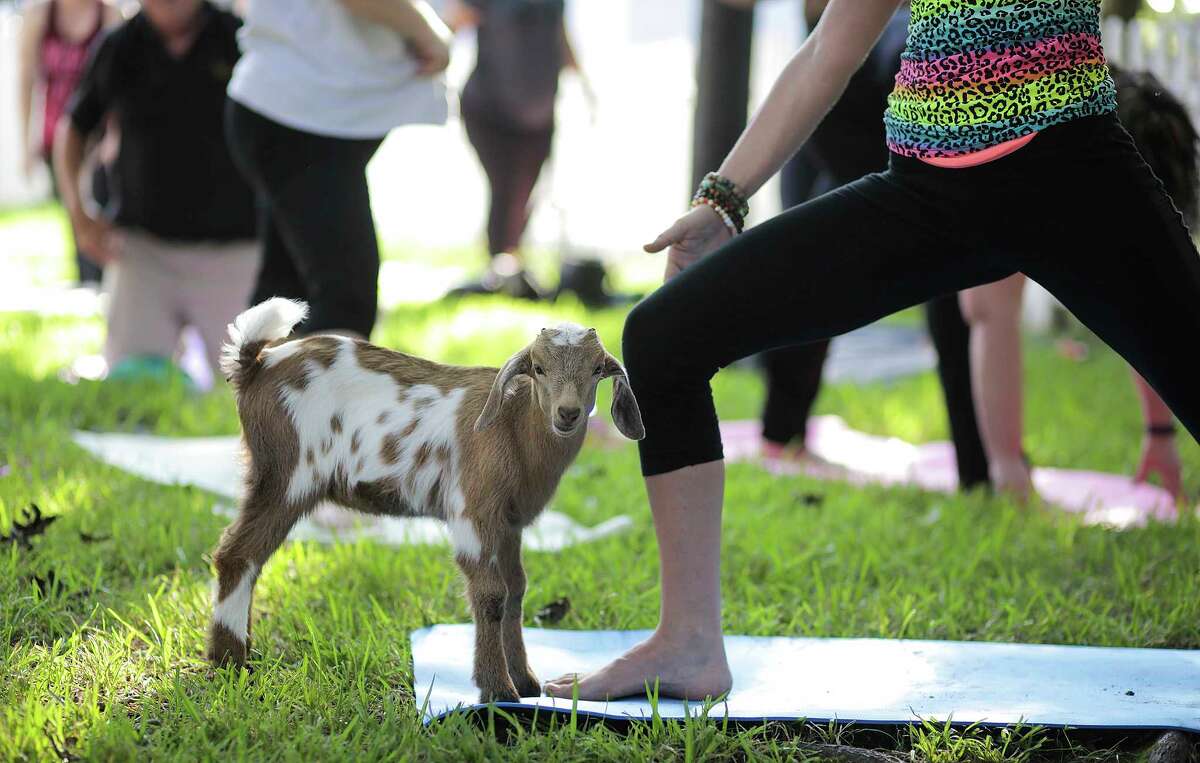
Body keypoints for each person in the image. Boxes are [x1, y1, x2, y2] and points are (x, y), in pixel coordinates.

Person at [544, 0, 1200, 701]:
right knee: (663, 337)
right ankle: (689, 645)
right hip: (927, 194)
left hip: (1075, 175)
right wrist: (722, 201)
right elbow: (829, 46)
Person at [759, 1, 989, 489]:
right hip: (849, 112)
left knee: (957, 288)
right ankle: (781, 432)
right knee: (806, 271)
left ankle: (981, 467)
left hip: (908, 116)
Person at [958, 65, 1197, 501]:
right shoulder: (1009, 158)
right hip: (907, 122)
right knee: (965, 308)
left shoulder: (1112, 124)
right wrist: (1006, 464)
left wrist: (1160, 431)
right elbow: (987, 309)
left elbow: (1142, 292)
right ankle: (994, 469)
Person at [54, 0, 259, 379]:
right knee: (128, 382)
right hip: (143, 250)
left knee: (253, 386)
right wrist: (79, 216)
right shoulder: (119, 45)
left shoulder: (238, 38)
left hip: (234, 249)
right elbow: (73, 129)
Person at [224, 0, 451, 341]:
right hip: (305, 114)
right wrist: (429, 32)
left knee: (286, 300)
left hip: (303, 108)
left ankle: (262, 376)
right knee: (344, 306)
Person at [446, 0, 591, 300]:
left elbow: (559, 34)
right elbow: (454, 22)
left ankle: (509, 268)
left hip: (539, 111)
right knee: (506, 191)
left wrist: (584, 86)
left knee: (524, 193)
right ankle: (501, 269)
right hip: (491, 107)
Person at [18, 0, 120, 285]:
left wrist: (114, 134)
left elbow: (121, 82)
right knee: (73, 208)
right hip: (59, 135)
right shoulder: (39, 16)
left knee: (100, 203)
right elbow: (26, 78)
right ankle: (88, 278)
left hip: (97, 139)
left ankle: (101, 276)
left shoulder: (108, 14)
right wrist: (28, 140)